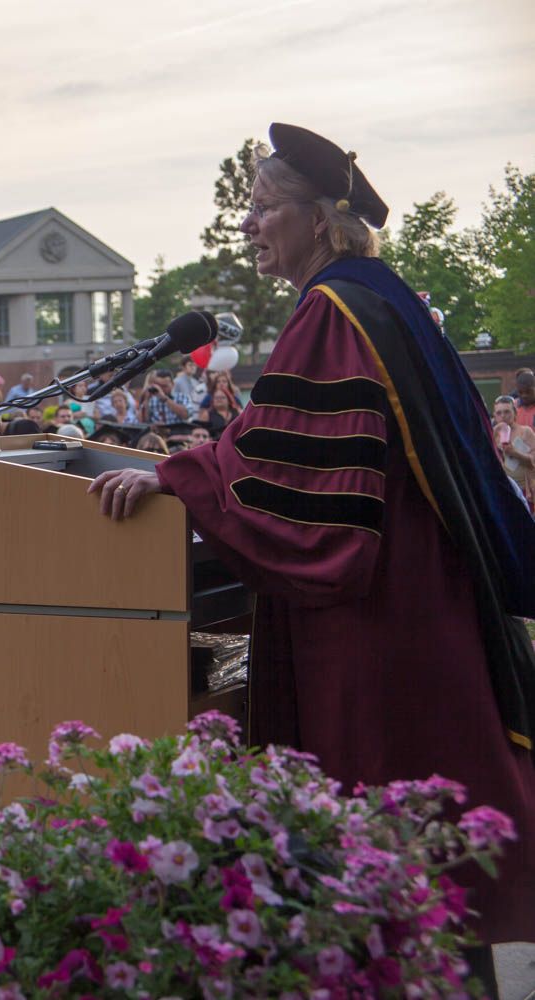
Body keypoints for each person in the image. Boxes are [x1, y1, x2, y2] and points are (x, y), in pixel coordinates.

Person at [89, 123, 535, 959]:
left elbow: (291, 478)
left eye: (263, 210)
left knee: (384, 799)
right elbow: (277, 431)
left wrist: (179, 479)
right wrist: (194, 466)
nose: (249, 226)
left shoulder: (333, 312)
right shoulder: (379, 297)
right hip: (425, 585)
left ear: (322, 219)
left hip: (379, 610)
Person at [491, 395, 535, 509]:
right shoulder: (492, 435)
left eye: (507, 412)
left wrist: (515, 453)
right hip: (502, 490)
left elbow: (533, 461)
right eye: (499, 413)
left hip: (525, 491)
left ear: (515, 413)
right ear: (494, 416)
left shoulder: (525, 432)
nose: (503, 416)